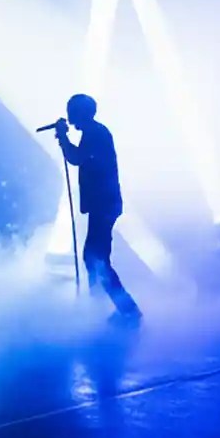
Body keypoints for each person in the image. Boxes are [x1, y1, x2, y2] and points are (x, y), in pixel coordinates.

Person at [55, 94, 142, 325]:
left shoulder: (95, 134)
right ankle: (103, 306)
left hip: (104, 203)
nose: (70, 116)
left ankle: (127, 310)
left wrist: (63, 137)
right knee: (94, 257)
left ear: (81, 112)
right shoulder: (94, 132)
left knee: (96, 258)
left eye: (72, 111)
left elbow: (76, 158)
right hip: (104, 203)